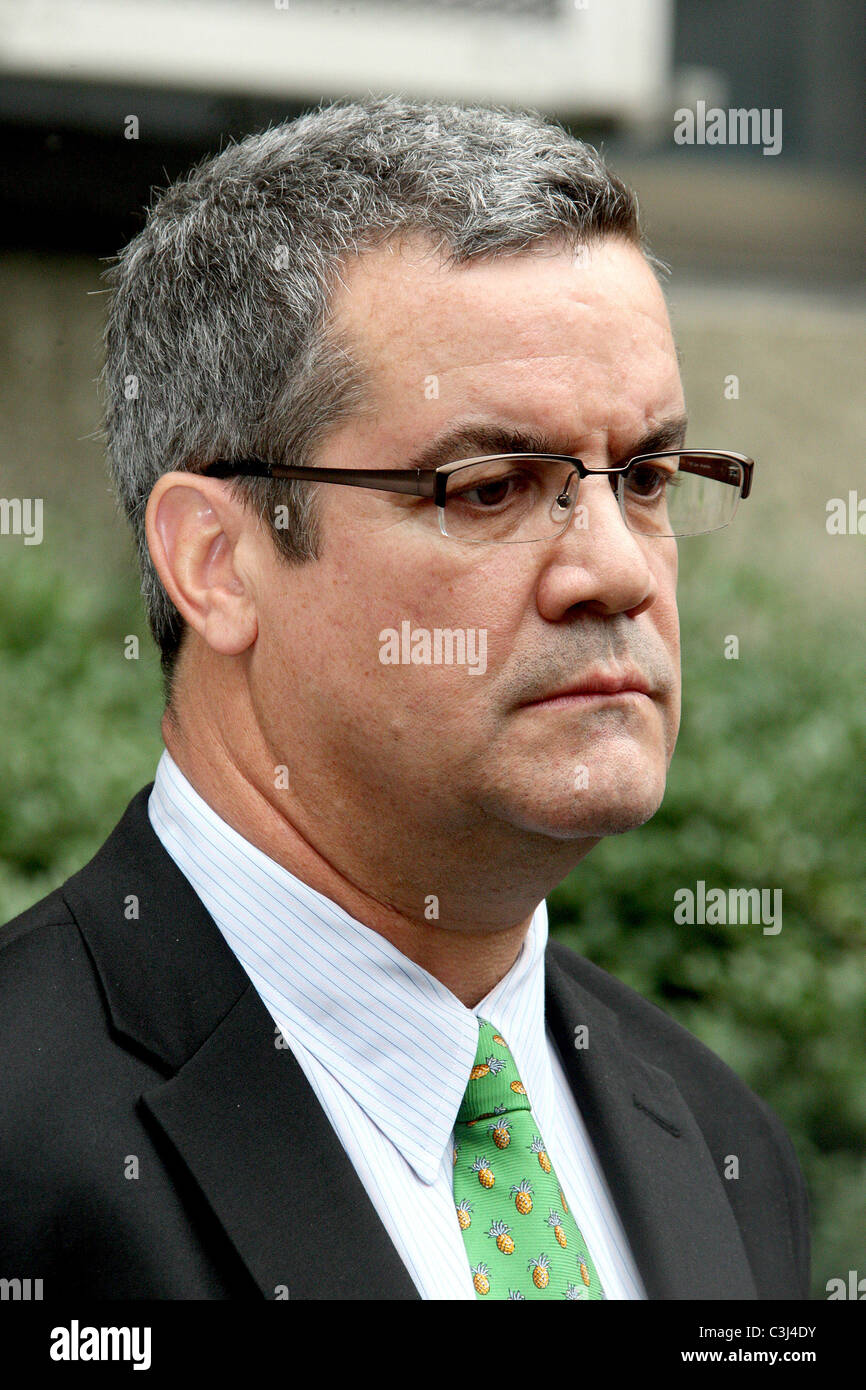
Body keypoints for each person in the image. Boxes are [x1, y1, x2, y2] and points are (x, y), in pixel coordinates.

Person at [0, 95, 808, 1300]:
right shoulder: (23, 1140)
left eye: (641, 475)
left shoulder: (721, 1142)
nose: (618, 570)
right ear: (215, 562)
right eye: (486, 487)